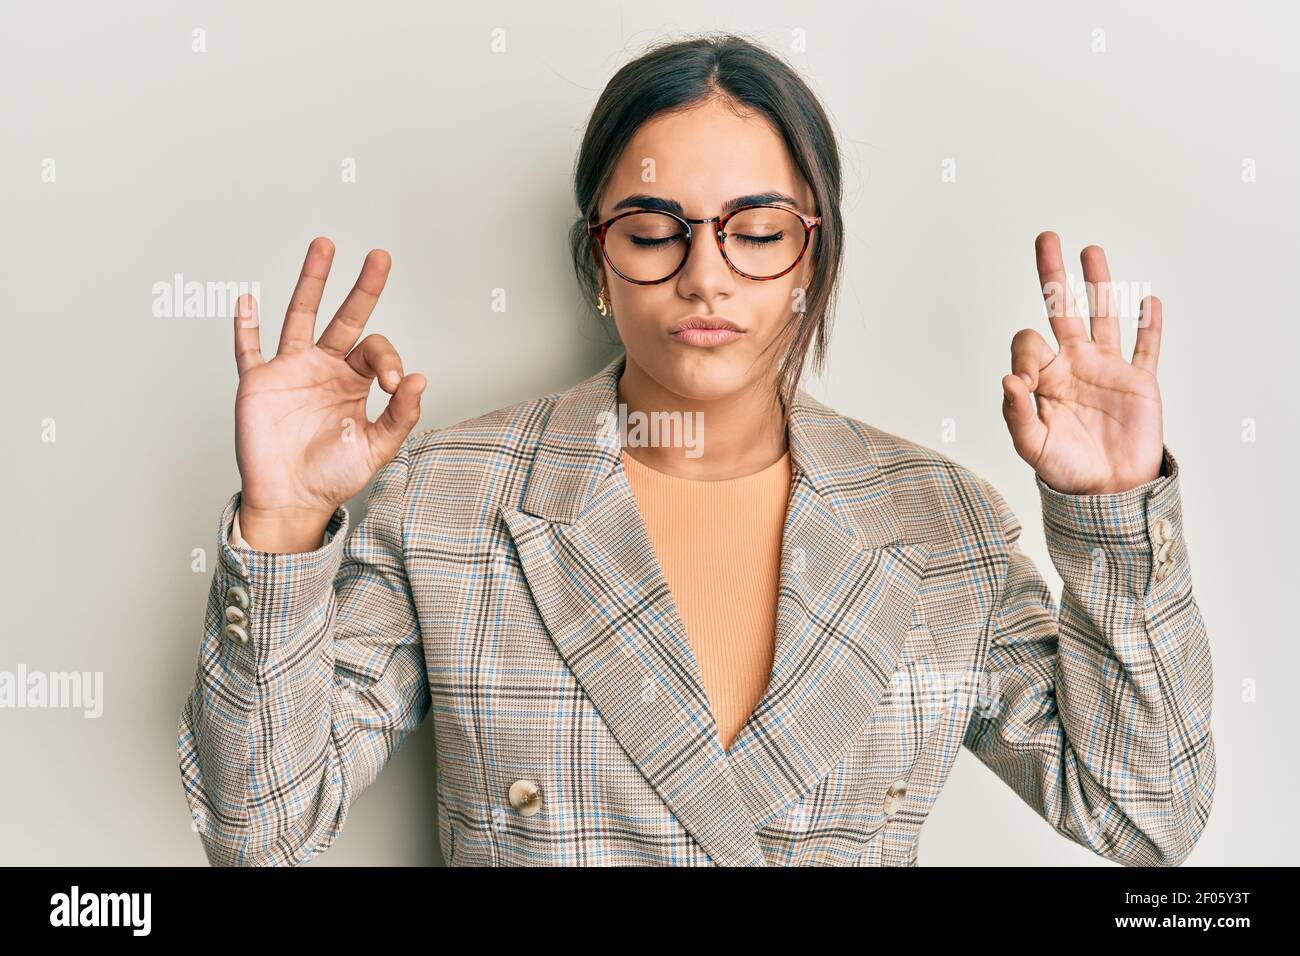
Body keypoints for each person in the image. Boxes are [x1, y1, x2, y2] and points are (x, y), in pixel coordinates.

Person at [177, 33, 1215, 866]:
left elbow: (1146, 816)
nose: (705, 275)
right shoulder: (449, 499)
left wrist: (1113, 519)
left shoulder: (942, 525)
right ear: (597, 261)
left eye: (756, 230)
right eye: (652, 228)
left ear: (813, 257)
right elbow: (258, 830)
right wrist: (279, 525)